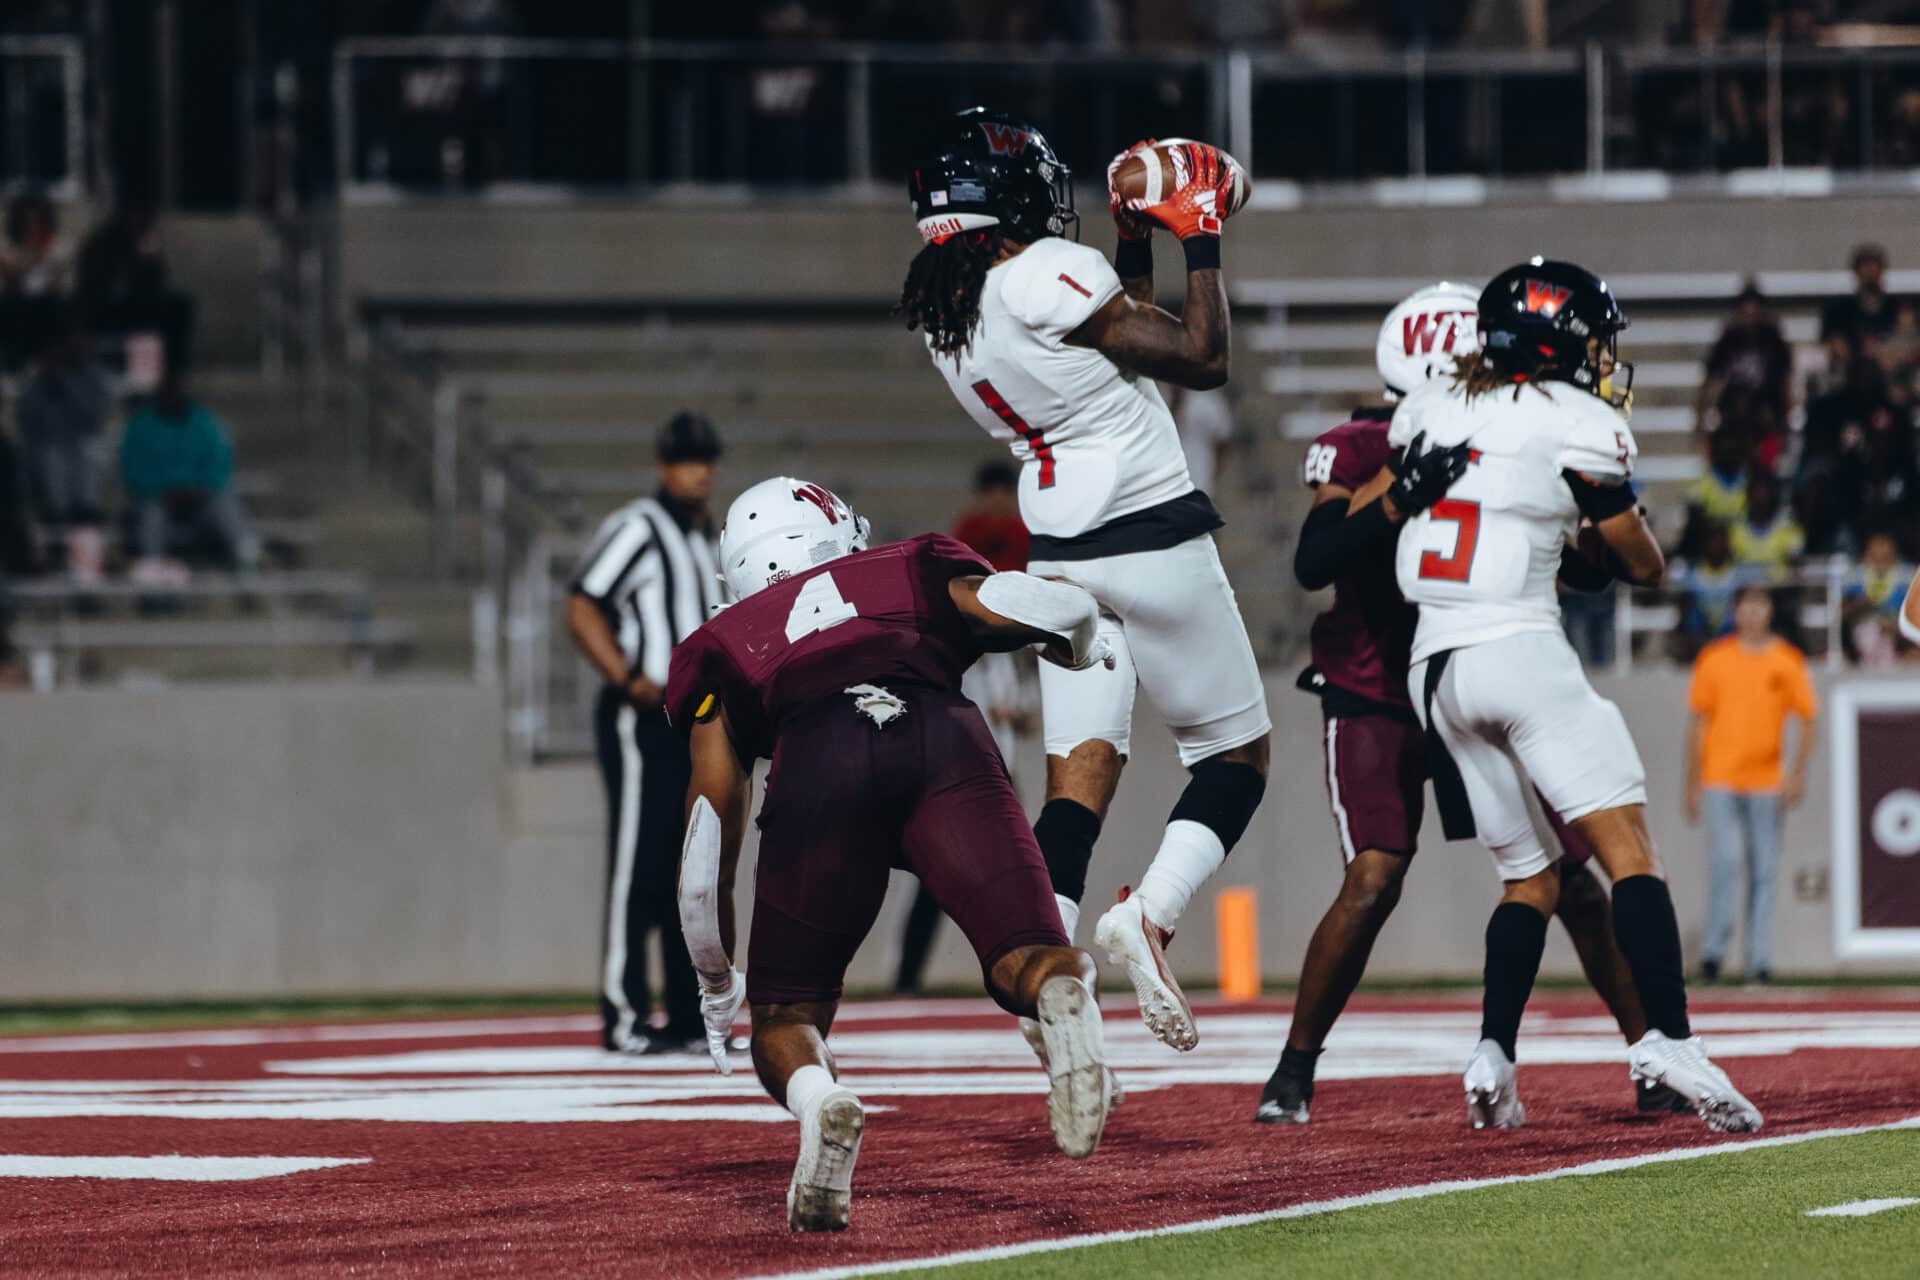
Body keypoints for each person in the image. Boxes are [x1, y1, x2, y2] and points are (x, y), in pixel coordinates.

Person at [1256, 283, 1680, 1126]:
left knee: (1571, 879)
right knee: (1374, 876)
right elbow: (1316, 559)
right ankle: (1292, 1070)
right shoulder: (1368, 443)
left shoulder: (1491, 427)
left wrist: (1588, 524)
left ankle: (1652, 1057)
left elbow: (1579, 566)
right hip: (1381, 685)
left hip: (1457, 669)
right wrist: (1400, 497)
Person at [899, 112, 1271, 1052]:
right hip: (1150, 532)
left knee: (1076, 787)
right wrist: (1199, 235)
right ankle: (1149, 913)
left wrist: (1132, 246)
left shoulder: (949, 308)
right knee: (1233, 760)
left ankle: (1043, 962)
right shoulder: (1039, 273)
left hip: (1060, 554)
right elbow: (1203, 358)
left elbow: (1112, 345)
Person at [667, 477, 1116, 1231]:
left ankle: (823, 1099)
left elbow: (706, 842)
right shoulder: (909, 562)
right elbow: (1022, 605)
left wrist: (716, 982)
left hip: (818, 764)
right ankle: (1058, 993)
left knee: (786, 1016)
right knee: (1027, 956)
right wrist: (1076, 637)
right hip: (942, 739)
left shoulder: (721, 643)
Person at [1390, 257, 1761, 1133]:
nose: (1602, 358)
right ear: (1553, 344)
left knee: (1528, 875)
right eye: (1592, 343)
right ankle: (1669, 1039)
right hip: (1516, 646)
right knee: (1630, 851)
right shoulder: (1575, 420)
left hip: (1433, 665)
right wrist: (1605, 538)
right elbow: (1641, 562)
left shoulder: (1431, 404)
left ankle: (1492, 1054)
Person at [566, 412, 723, 1055]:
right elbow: (583, 602)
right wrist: (625, 676)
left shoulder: (705, 538)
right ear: (663, 466)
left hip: (693, 721)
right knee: (637, 865)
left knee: (685, 868)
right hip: (642, 716)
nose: (698, 472)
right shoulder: (638, 527)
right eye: (686, 460)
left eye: (705, 459)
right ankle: (625, 1013)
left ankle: (687, 1016)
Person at [896, 461, 1038, 993]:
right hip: (959, 758)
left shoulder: (1014, 615)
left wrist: (1016, 713)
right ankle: (912, 972)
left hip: (998, 760)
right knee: (948, 871)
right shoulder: (962, 573)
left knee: (1003, 867)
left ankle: (1014, 963)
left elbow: (1025, 708)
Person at [1685, 584, 1818, 985]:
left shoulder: (1786, 659)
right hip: (1720, 777)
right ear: (1735, 612)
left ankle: (1758, 960)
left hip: (1766, 780)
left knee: (1764, 869)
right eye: (1746, 606)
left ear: (1770, 611)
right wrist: (1691, 782)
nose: (1753, 613)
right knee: (1724, 864)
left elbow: (1809, 718)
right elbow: (1698, 723)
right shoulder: (1715, 658)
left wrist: (1797, 772)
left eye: (1760, 606)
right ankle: (1713, 955)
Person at [120, 369, 256, 574]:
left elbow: (220, 465)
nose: (175, 395)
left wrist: (199, 489)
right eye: (169, 390)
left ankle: (246, 560)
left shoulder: (204, 421)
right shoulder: (141, 425)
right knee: (150, 513)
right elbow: (134, 471)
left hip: (201, 498)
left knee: (225, 501)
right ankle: (150, 568)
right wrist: (166, 491)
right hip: (160, 500)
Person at [17, 313, 110, 581]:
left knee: (88, 451)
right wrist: (44, 381)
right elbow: (26, 418)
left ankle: (85, 520)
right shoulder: (39, 377)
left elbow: (94, 417)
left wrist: (65, 383)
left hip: (82, 451)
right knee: (52, 457)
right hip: (46, 451)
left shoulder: (94, 376)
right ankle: (58, 520)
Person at [1842, 529, 1913, 665]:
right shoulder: (1856, 576)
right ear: (1868, 554)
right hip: (1865, 625)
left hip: (1898, 628)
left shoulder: (1906, 575)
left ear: (1893, 554)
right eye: (1876, 555)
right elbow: (1841, 611)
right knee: (1871, 634)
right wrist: (1860, 603)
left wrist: (1895, 623)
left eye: (1885, 556)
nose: (1881, 559)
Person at [1820, 243, 1899, 355]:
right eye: (1866, 267)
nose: (1871, 272)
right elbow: (1831, 342)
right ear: (1856, 272)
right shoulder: (1838, 310)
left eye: (1874, 268)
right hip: (1852, 363)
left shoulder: (1896, 308)